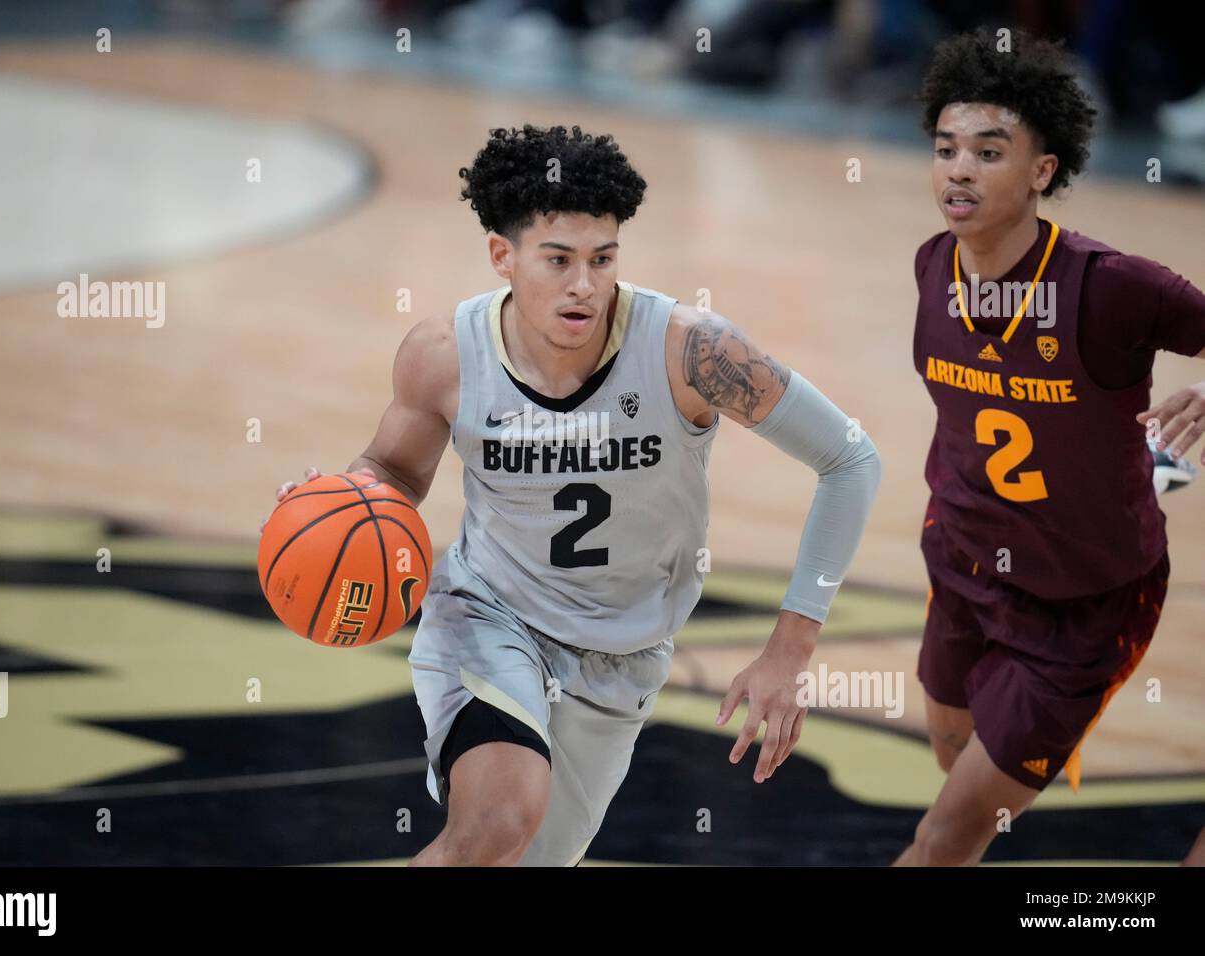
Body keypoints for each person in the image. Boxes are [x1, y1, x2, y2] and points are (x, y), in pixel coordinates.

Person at [270, 124, 881, 865]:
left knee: (519, 855)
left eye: (603, 259)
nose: (584, 285)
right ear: (503, 255)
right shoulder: (444, 356)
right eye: (557, 260)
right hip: (489, 619)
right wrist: (336, 497)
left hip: (622, 658)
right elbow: (391, 472)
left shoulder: (692, 351)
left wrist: (791, 651)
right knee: (497, 822)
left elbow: (850, 460)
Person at [897, 29, 1205, 866]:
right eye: (946, 148)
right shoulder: (934, 267)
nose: (958, 169)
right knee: (954, 764)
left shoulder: (1111, 288)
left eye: (989, 152)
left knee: (940, 841)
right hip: (961, 568)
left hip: (1081, 605)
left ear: (1042, 171)